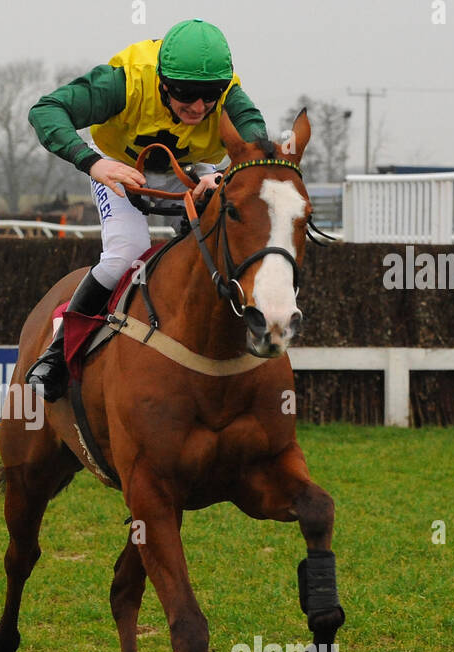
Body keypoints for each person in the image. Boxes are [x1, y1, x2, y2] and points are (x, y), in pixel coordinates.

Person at [23, 18, 270, 401]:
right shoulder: (123, 81)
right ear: (162, 81)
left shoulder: (229, 93)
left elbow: (256, 148)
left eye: (210, 96)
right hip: (120, 166)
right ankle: (57, 355)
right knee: (124, 254)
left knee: (223, 249)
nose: (199, 106)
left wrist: (223, 176)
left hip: (193, 170)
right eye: (186, 94)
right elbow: (46, 111)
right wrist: (92, 162)